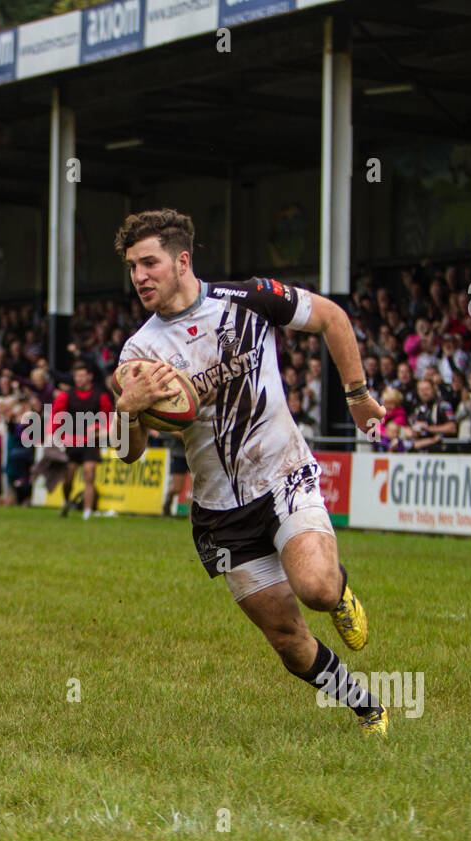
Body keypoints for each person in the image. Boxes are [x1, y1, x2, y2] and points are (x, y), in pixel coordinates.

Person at [111, 208, 389, 736]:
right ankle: (366, 706)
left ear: (182, 260)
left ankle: (340, 592)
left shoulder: (250, 299)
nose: (140, 276)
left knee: (316, 589)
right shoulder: (139, 355)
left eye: (149, 263)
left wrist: (357, 395)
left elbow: (331, 316)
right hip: (220, 512)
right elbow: (129, 454)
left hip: (282, 474)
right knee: (287, 639)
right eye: (132, 267)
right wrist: (127, 410)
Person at [53, 361, 115, 519]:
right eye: (76, 376)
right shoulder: (66, 396)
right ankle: (67, 500)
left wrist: (101, 429)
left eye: (81, 375)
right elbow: (56, 416)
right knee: (69, 478)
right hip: (72, 441)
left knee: (89, 473)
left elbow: (108, 417)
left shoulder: (100, 395)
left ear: (90, 377)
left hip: (90, 441)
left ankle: (87, 512)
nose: (78, 379)